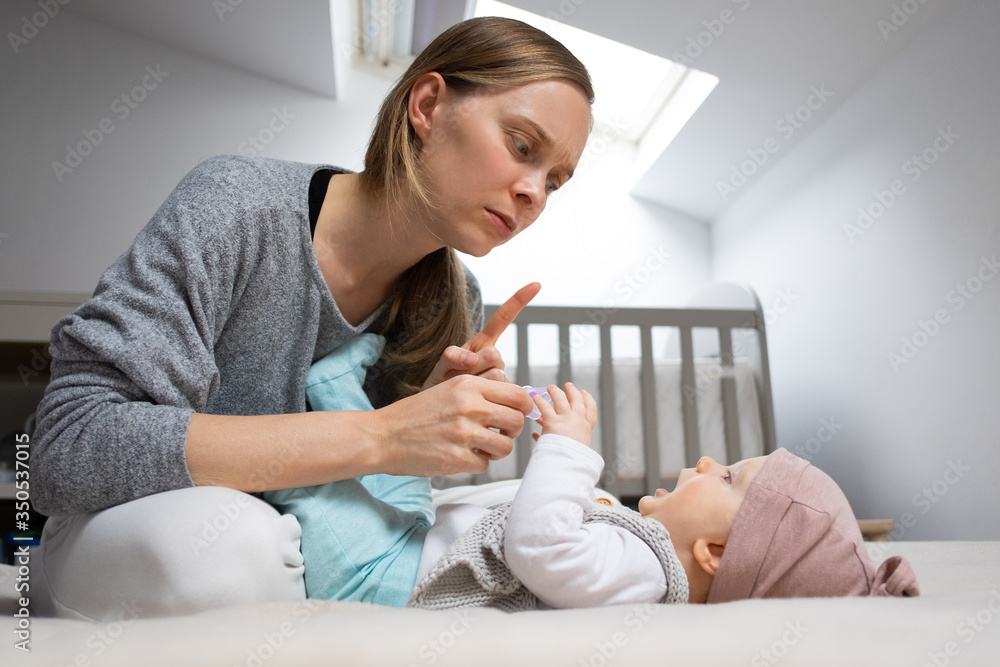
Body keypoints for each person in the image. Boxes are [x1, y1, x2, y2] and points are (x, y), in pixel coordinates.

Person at [28, 16, 594, 620]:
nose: (535, 192)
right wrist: (385, 435)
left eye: (555, 182)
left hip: (300, 559)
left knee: (570, 513)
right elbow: (65, 449)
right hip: (149, 533)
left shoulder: (455, 302)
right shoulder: (236, 207)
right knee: (230, 544)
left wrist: (431, 432)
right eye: (522, 146)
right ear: (428, 105)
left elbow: (369, 521)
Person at [269, 333, 920, 611]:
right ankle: (334, 387)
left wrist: (569, 449)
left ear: (716, 553)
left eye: (726, 478)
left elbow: (539, 546)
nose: (704, 461)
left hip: (383, 580)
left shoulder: (647, 574)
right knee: (396, 475)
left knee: (322, 482)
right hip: (414, 540)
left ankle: (272, 434)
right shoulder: (634, 550)